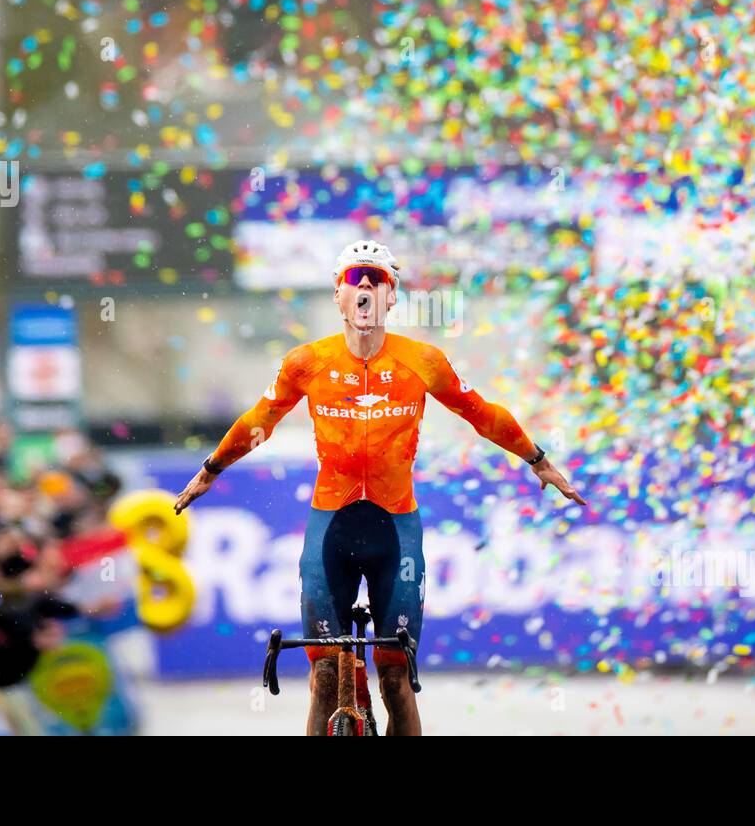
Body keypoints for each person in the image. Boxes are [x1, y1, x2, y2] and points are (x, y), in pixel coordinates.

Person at [175, 240, 586, 735]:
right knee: (325, 675)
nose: (365, 287)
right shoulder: (307, 362)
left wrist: (537, 460)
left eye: (377, 280)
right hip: (331, 529)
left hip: (396, 532)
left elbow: (482, 414)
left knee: (395, 680)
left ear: (392, 297)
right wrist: (212, 468)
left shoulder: (423, 361)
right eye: (355, 279)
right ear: (338, 296)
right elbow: (258, 420)